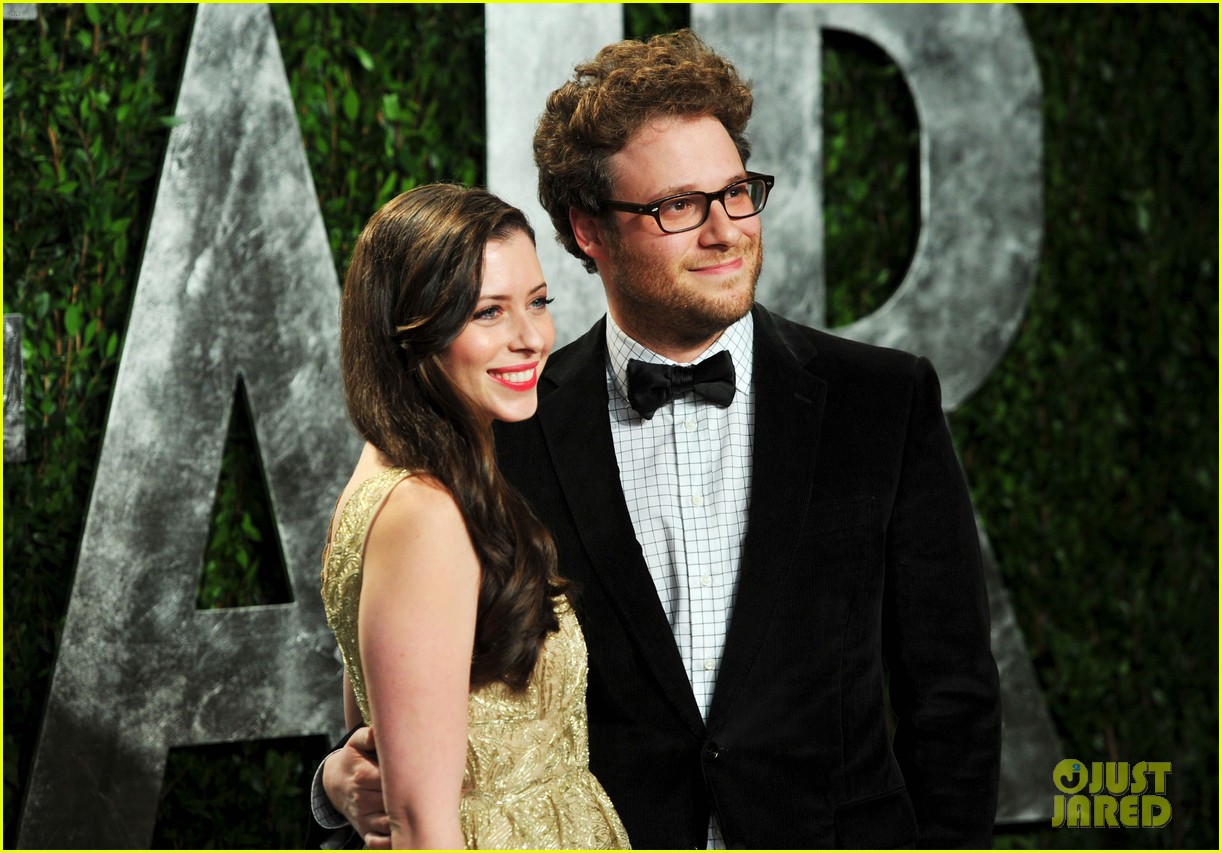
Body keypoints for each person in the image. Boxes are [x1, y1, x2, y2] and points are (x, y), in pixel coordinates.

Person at [313, 30, 1001, 849]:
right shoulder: (505, 426)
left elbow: (952, 696)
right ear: (588, 230)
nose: (724, 230)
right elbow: (411, 690)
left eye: (737, 192)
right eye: (678, 205)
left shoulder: (882, 402)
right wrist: (331, 783)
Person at [317, 183, 629, 849]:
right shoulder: (423, 512)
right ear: (410, 330)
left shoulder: (406, 476)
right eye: (488, 312)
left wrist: (341, 780)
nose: (531, 338)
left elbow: (369, 739)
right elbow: (421, 822)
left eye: (538, 302)